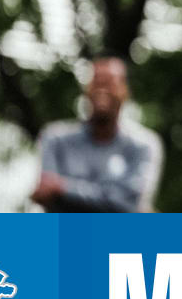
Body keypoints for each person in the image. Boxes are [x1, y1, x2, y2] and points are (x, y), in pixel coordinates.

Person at [30, 55, 163, 212]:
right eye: (96, 82)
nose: (101, 89)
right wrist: (108, 197)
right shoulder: (56, 138)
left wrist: (63, 188)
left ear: (124, 91)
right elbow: (47, 193)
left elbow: (130, 202)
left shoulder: (144, 144)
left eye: (109, 83)